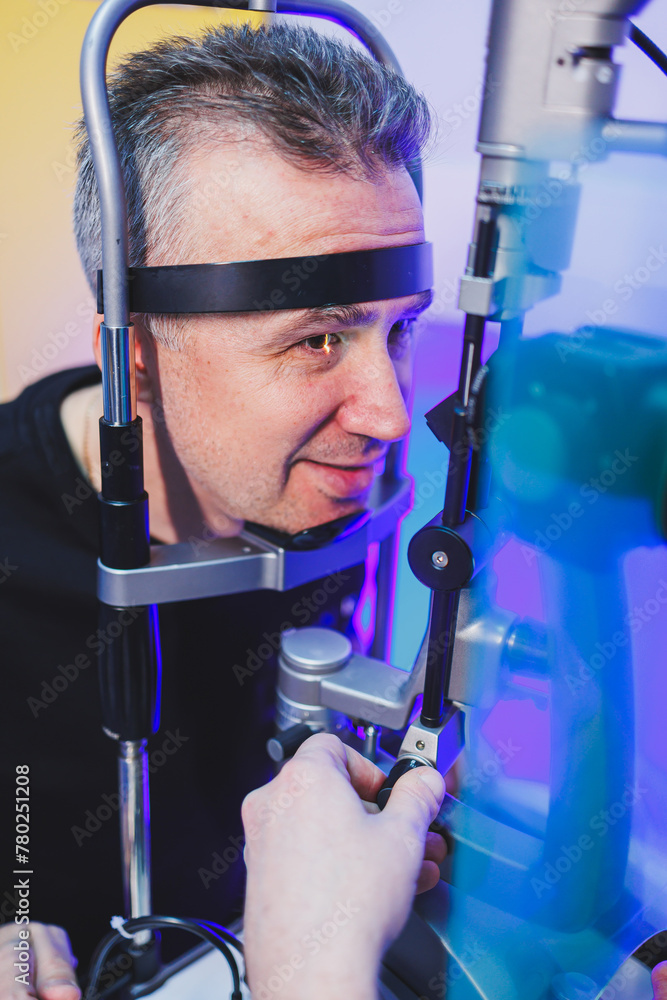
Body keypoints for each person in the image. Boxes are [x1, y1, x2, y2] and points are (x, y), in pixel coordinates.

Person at [0, 17, 433, 974]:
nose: (390, 415)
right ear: (139, 352)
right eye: (318, 338)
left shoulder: (333, 494)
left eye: (398, 330)